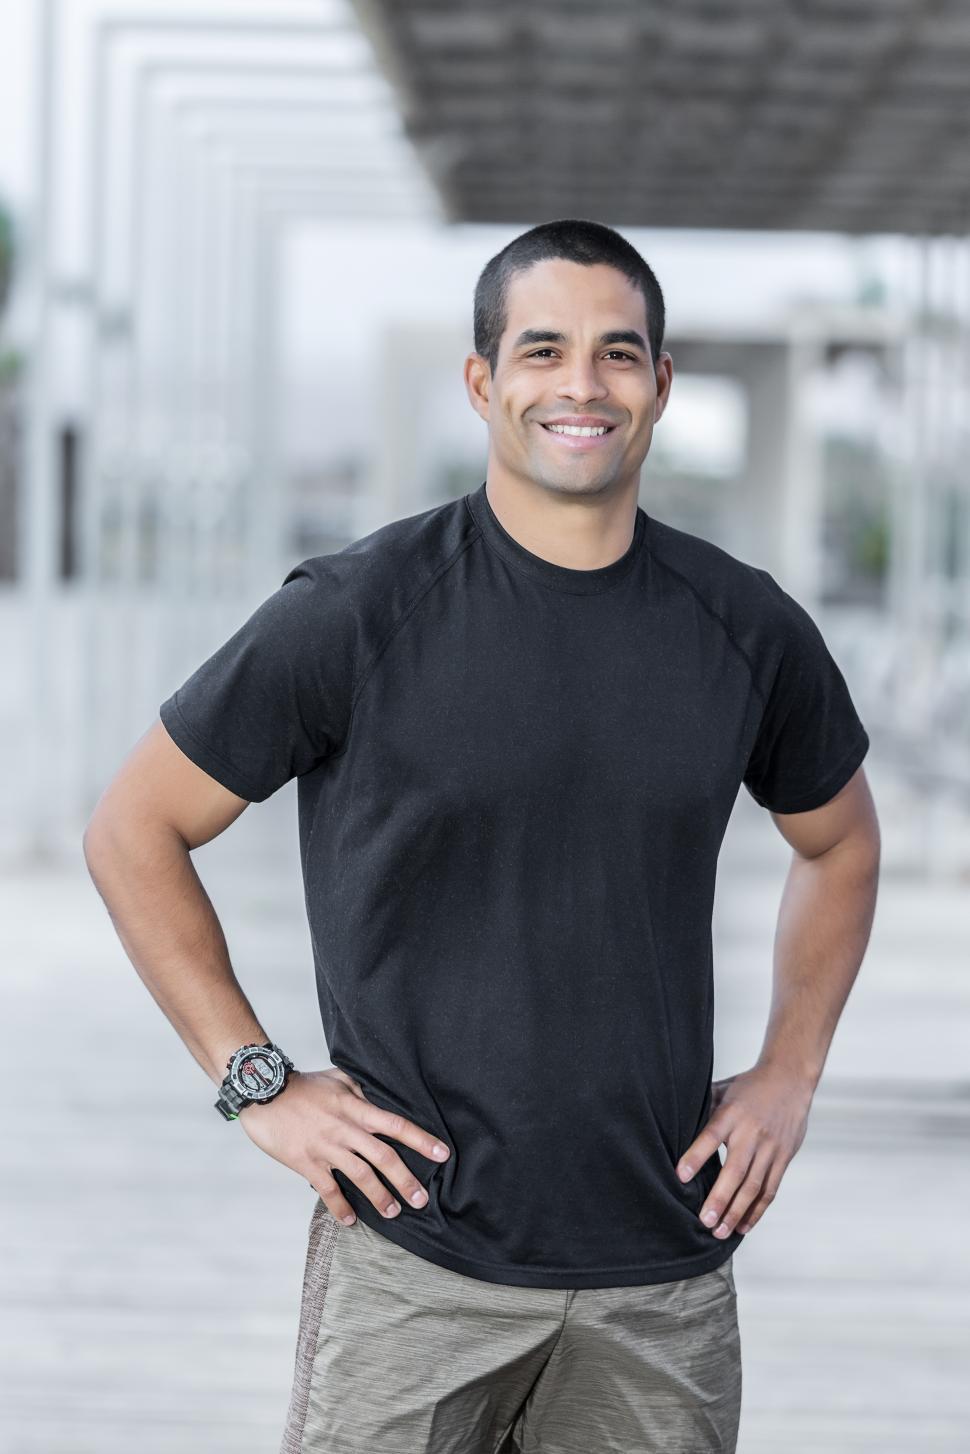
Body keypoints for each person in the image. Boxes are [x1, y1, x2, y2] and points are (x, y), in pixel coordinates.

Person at [82, 218, 881, 1454]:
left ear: (660, 385)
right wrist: (257, 1082)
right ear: (482, 381)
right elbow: (135, 827)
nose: (580, 384)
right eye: (542, 349)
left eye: (618, 354)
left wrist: (790, 1071)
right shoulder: (356, 613)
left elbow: (838, 842)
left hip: (659, 1272)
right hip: (414, 1261)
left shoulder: (745, 631)